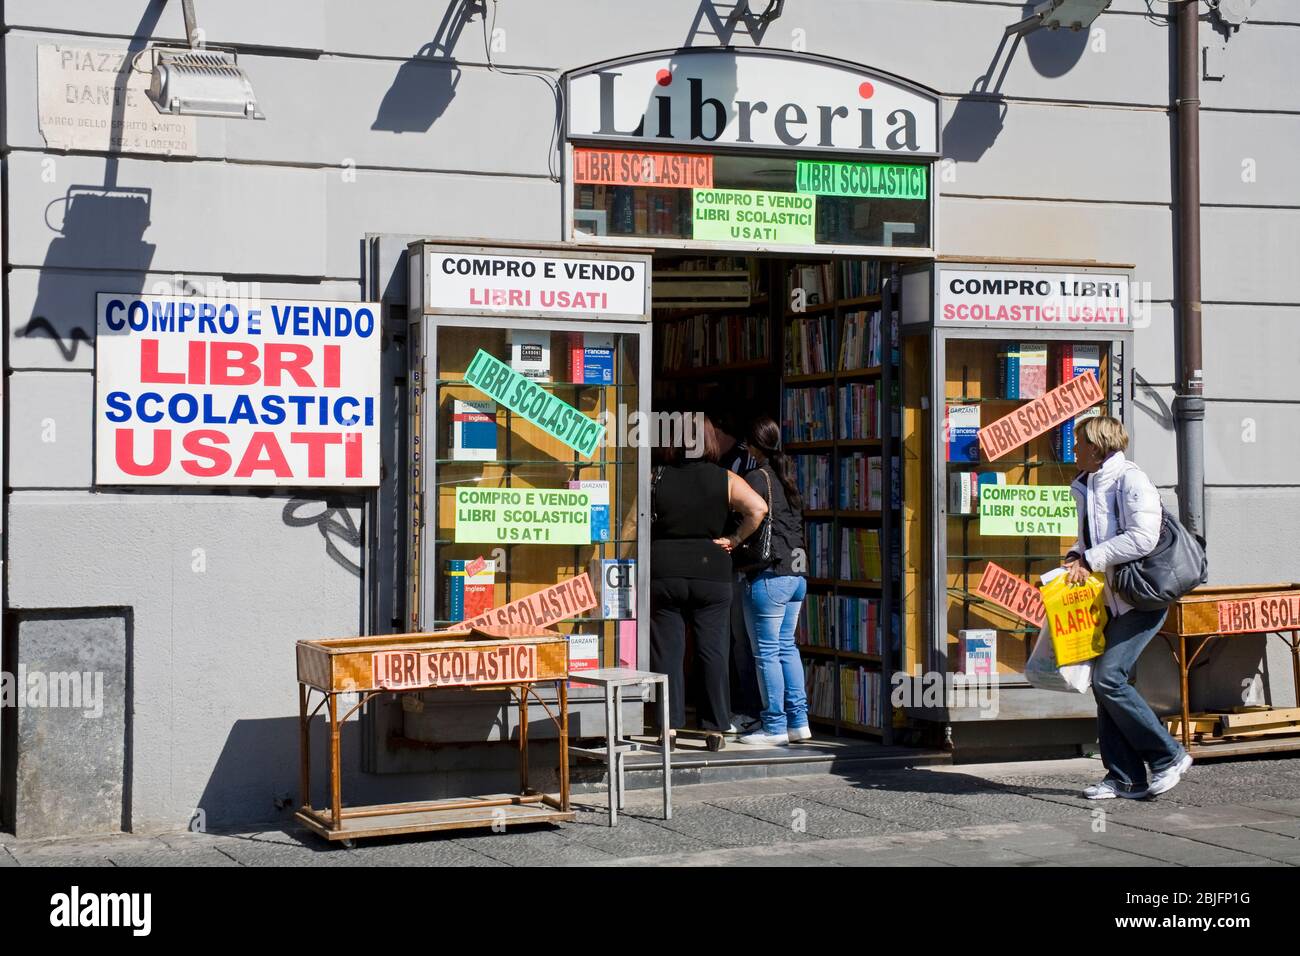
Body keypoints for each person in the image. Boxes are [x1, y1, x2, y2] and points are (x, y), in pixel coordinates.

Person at [1065, 414, 1192, 799]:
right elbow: (1088, 537)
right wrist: (1075, 554)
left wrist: (1091, 559)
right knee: (1108, 685)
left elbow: (1142, 538)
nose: (1074, 450)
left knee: (1108, 678)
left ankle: (1169, 755)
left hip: (1142, 597)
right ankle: (1124, 777)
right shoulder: (1087, 484)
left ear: (1098, 447)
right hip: (1111, 601)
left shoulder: (1130, 480)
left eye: (1080, 443)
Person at [650, 415, 768, 743]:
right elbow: (757, 509)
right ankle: (715, 726)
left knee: (668, 651)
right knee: (713, 650)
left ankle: (668, 726)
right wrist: (734, 539)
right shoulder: (725, 478)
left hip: (666, 569)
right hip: (712, 572)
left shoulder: (656, 476)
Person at [734, 416, 812, 746]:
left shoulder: (755, 476)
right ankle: (799, 721)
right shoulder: (788, 476)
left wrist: (735, 539)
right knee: (786, 648)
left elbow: (754, 514)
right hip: (797, 575)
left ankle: (775, 727)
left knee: (766, 653)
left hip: (769, 576)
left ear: (752, 446)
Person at [710, 408, 764, 734]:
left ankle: (753, 711)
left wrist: (733, 538)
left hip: (744, 563)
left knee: (748, 643)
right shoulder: (737, 465)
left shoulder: (744, 468)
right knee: (756, 644)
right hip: (746, 565)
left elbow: (754, 510)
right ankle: (774, 716)